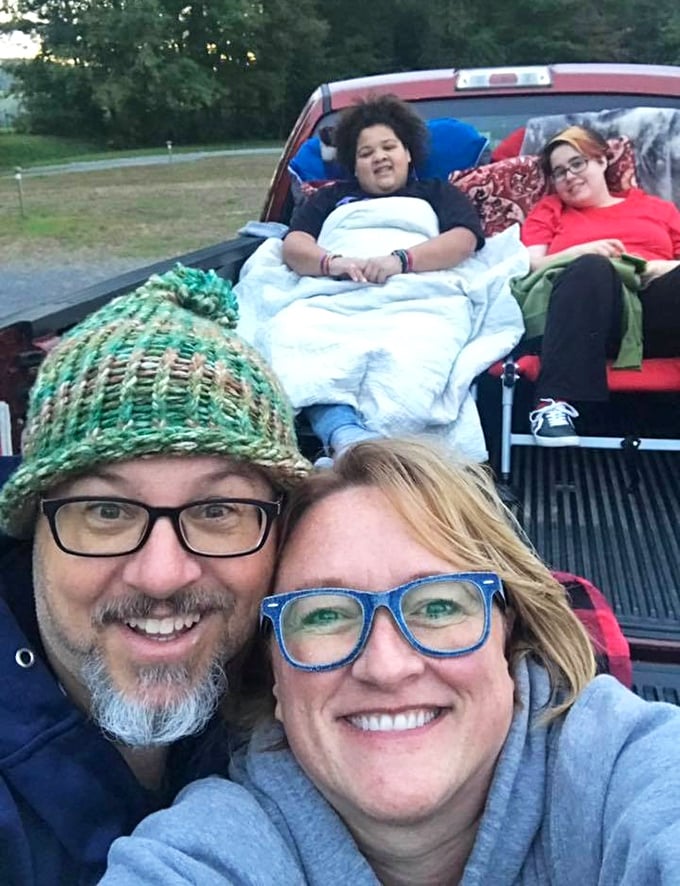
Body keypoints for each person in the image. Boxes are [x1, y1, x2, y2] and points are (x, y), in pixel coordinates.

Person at [102, 438, 680, 885]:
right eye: (324, 615)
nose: (386, 666)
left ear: (510, 636)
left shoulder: (621, 770)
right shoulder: (211, 850)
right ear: (273, 673)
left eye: (436, 605)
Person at [0, 264, 309, 885]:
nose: (163, 575)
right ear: (34, 529)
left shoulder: (320, 667)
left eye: (218, 510)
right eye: (107, 512)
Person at [248, 93, 521, 464]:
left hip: (421, 293)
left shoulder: (437, 193)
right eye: (365, 153)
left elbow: (463, 240)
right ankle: (351, 442)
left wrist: (401, 260)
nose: (379, 157)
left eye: (388, 147)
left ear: (408, 153)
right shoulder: (331, 199)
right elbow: (294, 246)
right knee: (290, 336)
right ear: (354, 166)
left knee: (416, 354)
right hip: (333, 293)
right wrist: (334, 263)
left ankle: (354, 447)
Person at [517, 124, 680, 446]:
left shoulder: (656, 208)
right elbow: (527, 264)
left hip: (658, 312)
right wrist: (579, 252)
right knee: (591, 268)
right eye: (559, 172)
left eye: (578, 163)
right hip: (591, 321)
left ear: (602, 161)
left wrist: (653, 268)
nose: (569, 176)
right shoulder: (550, 210)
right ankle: (553, 403)